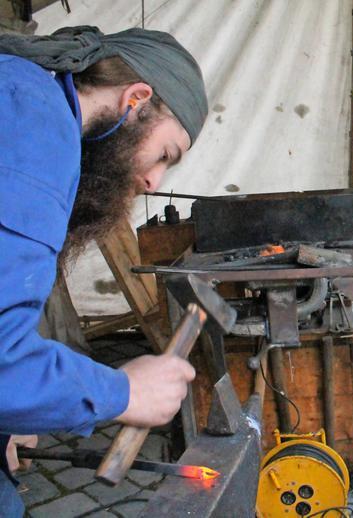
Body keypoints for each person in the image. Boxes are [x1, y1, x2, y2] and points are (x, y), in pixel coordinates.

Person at [0, 26, 207, 515]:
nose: (154, 180)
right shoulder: (35, 123)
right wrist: (124, 391)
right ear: (136, 99)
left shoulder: (17, 92)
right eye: (165, 155)